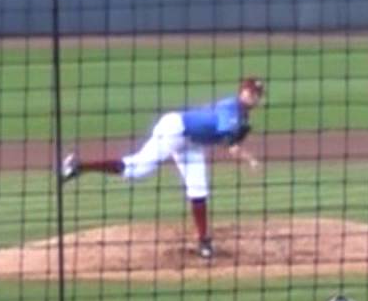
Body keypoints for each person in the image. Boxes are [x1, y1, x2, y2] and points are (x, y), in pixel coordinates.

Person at [57, 78, 265, 259]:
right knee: (137, 169)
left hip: (191, 142)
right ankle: (79, 165)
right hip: (175, 129)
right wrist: (250, 159)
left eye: (256, 94)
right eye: (250, 92)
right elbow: (229, 144)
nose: (253, 97)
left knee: (198, 189)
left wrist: (236, 137)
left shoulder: (241, 115)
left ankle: (204, 242)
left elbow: (221, 134)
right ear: (242, 92)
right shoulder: (231, 108)